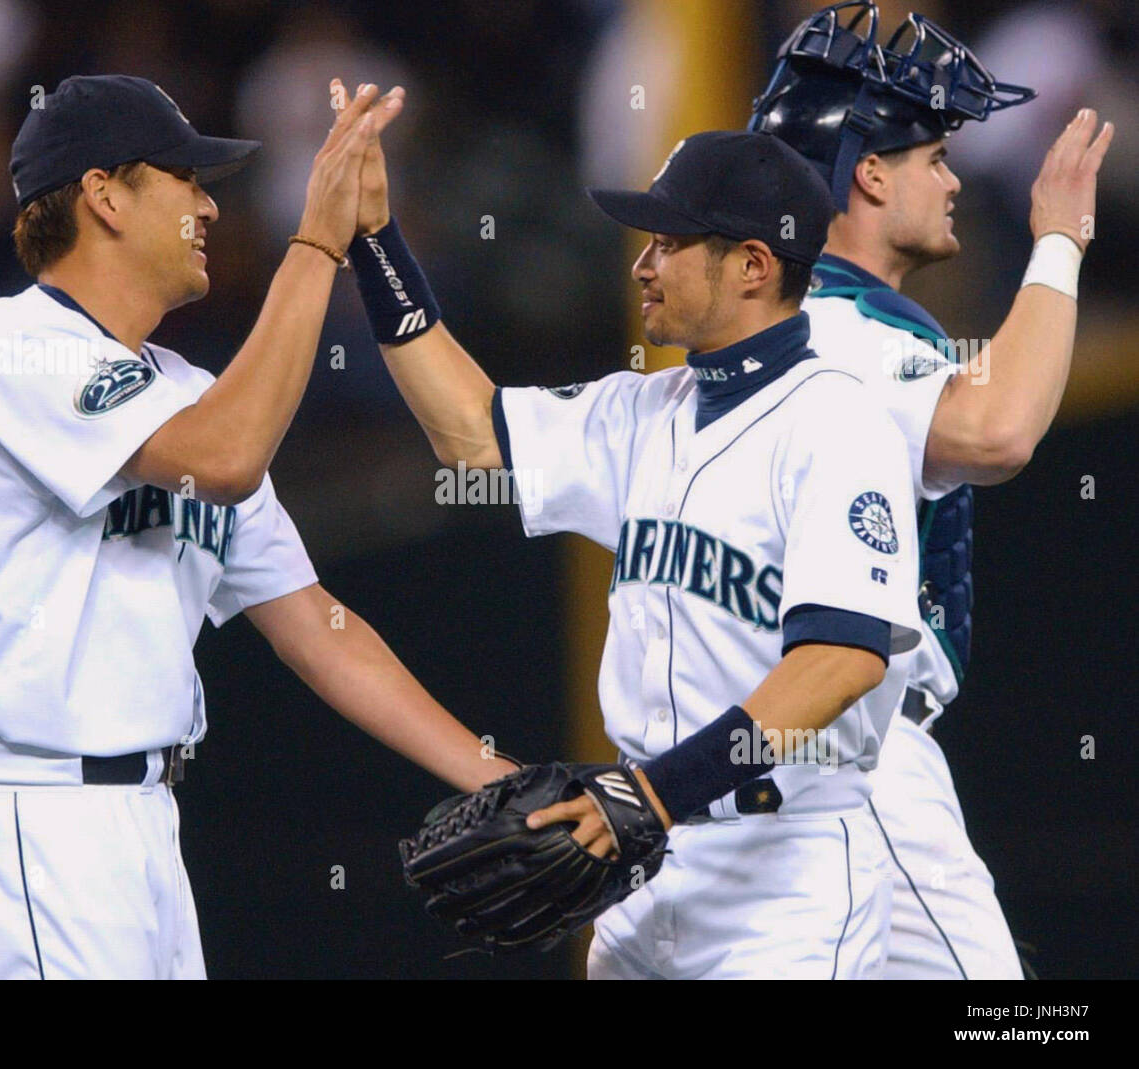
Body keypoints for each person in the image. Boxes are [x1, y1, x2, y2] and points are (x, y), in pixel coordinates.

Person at [0, 74, 514, 980]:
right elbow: (226, 456)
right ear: (104, 194)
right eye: (186, 178)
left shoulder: (181, 392)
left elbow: (318, 626)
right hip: (29, 814)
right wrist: (316, 242)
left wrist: (497, 776)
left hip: (140, 825)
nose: (210, 207)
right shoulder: (7, 346)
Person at [344, 102, 925, 977]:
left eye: (668, 243)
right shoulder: (645, 408)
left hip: (785, 878)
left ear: (754, 266)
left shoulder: (837, 422)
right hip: (639, 857)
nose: (643, 263)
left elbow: (841, 660)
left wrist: (657, 793)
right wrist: (377, 243)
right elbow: (469, 431)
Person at [749, 1, 1113, 978]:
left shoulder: (777, 324)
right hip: (849, 751)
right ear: (868, 171)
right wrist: (1058, 243)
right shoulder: (833, 325)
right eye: (932, 159)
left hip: (755, 744)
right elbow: (996, 430)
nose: (952, 180)